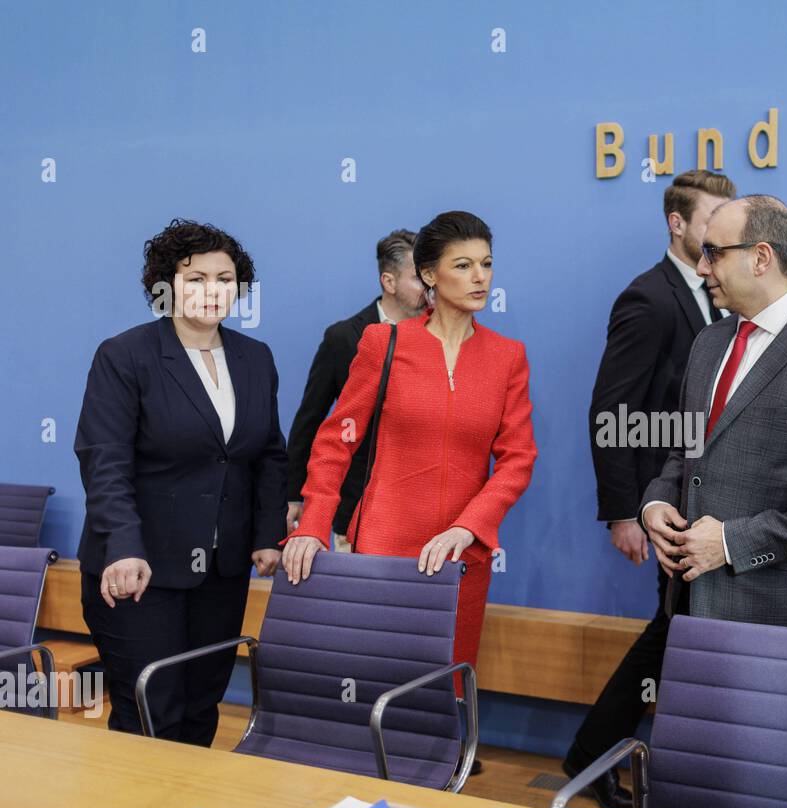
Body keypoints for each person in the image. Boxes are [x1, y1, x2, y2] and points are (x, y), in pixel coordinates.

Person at [280, 211, 536, 713]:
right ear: (428, 276)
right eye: (463, 265)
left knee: (444, 694)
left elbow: (517, 459)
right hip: (385, 549)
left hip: (461, 556)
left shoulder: (508, 357)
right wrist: (312, 524)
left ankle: (435, 783)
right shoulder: (384, 342)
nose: (480, 276)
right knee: (377, 690)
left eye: (486, 264)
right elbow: (335, 440)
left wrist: (469, 528)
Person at [75, 218, 287, 744]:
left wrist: (265, 535)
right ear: (165, 286)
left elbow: (268, 454)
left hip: (222, 569)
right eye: (195, 278)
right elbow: (104, 460)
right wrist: (123, 547)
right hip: (140, 567)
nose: (212, 291)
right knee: (150, 711)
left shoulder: (255, 358)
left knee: (200, 707)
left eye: (224, 278)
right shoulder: (125, 356)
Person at [564, 169, 736, 808]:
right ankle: (594, 755)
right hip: (663, 508)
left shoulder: (721, 294)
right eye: (711, 219)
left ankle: (602, 755)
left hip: (703, 508)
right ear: (678, 223)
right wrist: (623, 511)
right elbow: (612, 410)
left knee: (675, 633)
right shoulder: (649, 297)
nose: (721, 233)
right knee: (670, 633)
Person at [642, 196, 787, 628]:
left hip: (779, 617)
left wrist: (732, 543)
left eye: (713, 253)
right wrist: (656, 501)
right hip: (691, 605)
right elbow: (687, 449)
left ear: (761, 257)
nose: (701, 268)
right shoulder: (709, 343)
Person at [285, 229, 427, 550]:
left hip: (422, 512)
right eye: (419, 279)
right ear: (389, 282)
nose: (430, 288)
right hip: (356, 509)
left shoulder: (440, 337)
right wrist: (293, 494)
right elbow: (311, 419)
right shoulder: (343, 338)